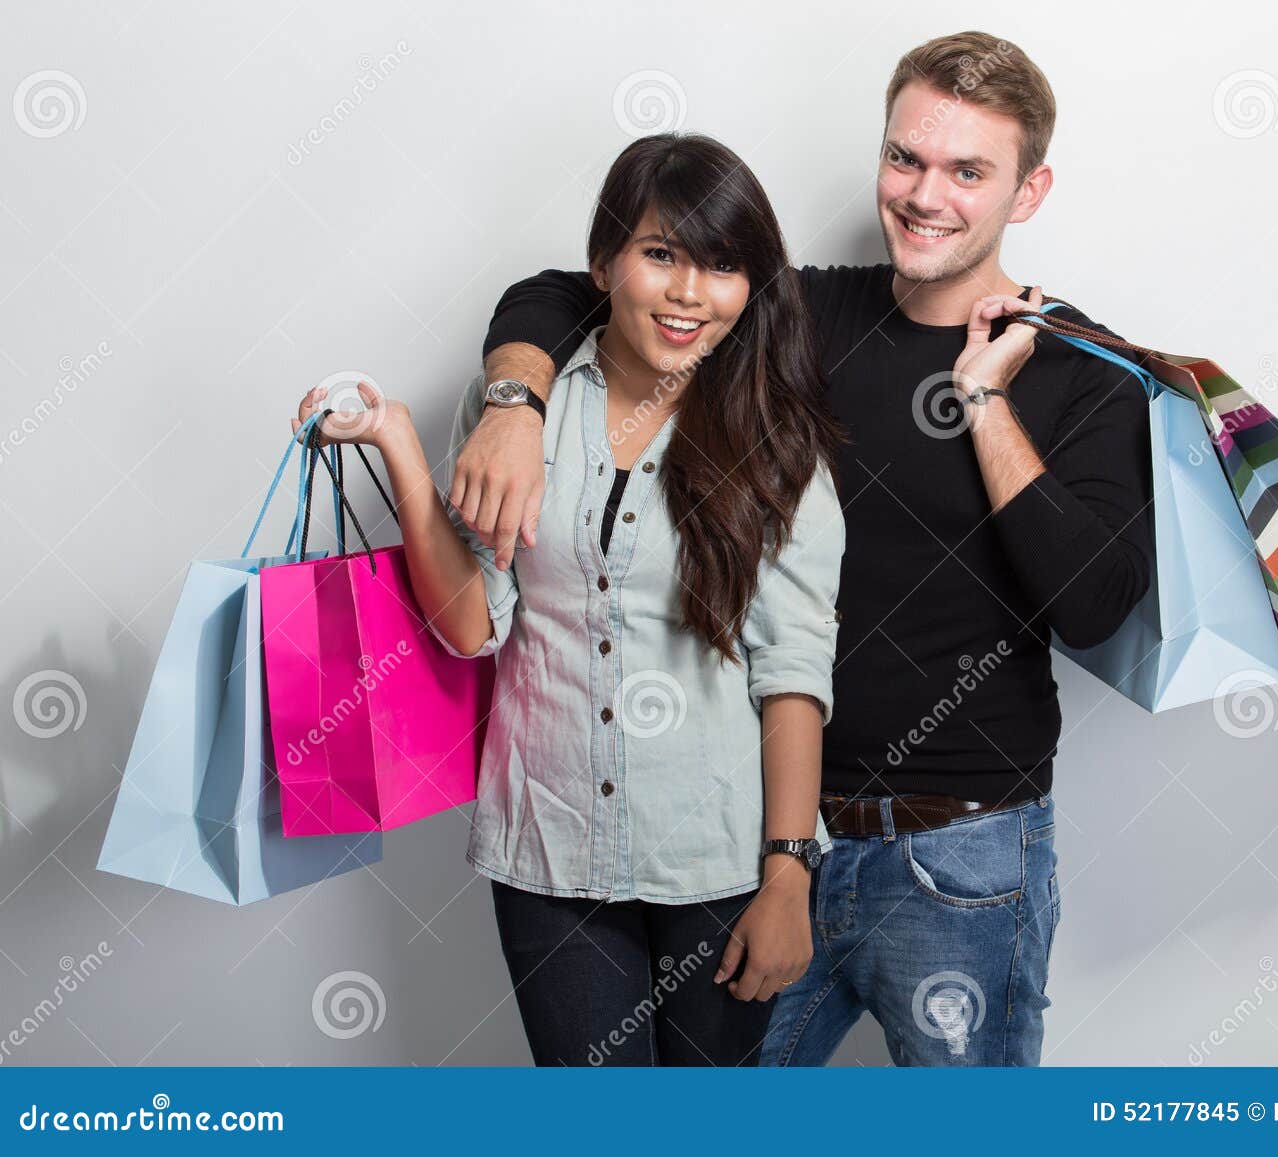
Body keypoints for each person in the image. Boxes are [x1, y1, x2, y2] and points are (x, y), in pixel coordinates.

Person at [450, 31, 1155, 1066]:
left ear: (1029, 189)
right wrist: (515, 398)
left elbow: (1092, 603)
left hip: (958, 846)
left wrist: (986, 402)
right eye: (906, 158)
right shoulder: (800, 316)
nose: (926, 194)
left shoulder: (1084, 374)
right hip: (752, 842)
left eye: (969, 170)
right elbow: (577, 289)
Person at [292, 132, 847, 1066]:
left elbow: (791, 669)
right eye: (660, 254)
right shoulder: (515, 409)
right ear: (604, 264)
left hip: (715, 857)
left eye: (721, 265)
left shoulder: (777, 439)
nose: (687, 292)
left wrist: (787, 873)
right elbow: (473, 625)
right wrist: (395, 442)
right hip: (547, 850)